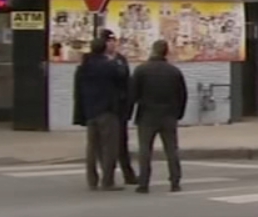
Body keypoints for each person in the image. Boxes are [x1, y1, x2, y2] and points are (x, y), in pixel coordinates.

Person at [129, 38, 189, 193]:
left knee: (145, 150)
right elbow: (182, 95)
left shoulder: (141, 70)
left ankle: (144, 182)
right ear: (166, 52)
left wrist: (129, 113)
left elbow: (133, 94)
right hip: (168, 115)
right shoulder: (174, 71)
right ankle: (175, 181)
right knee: (171, 149)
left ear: (152, 50)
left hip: (147, 114)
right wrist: (178, 113)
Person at [72, 37, 127, 190]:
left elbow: (78, 91)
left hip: (90, 110)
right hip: (107, 110)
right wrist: (115, 60)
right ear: (104, 49)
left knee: (92, 147)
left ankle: (92, 179)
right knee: (109, 147)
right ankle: (107, 180)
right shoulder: (108, 66)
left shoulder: (83, 67)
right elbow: (122, 76)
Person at [100, 28, 140, 185]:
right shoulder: (97, 61)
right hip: (105, 108)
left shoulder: (120, 59)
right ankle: (106, 175)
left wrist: (129, 105)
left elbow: (127, 82)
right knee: (105, 144)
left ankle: (128, 173)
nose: (112, 44)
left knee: (122, 143)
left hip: (120, 107)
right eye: (109, 41)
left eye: (113, 41)